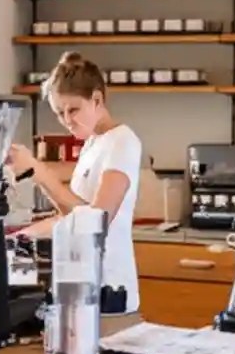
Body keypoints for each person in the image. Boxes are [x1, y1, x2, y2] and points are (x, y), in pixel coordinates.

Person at [8, 52, 143, 312]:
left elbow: (95, 221)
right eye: (59, 113)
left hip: (109, 290)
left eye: (73, 109)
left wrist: (38, 171)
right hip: (81, 284)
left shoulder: (123, 141)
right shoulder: (92, 144)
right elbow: (69, 216)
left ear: (97, 99)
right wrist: (22, 236)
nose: (67, 120)